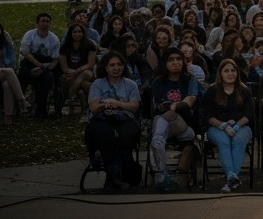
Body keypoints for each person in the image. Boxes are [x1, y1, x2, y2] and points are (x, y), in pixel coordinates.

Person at [85, 51, 141, 189]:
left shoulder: (131, 84)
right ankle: (114, 174)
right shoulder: (98, 84)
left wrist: (118, 104)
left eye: (119, 64)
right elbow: (93, 107)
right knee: (104, 134)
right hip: (102, 119)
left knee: (129, 132)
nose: (116, 68)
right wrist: (105, 105)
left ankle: (121, 171)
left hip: (124, 119)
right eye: (112, 65)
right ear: (105, 67)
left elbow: (134, 106)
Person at [148, 47, 200, 193]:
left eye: (178, 59)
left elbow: (188, 103)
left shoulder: (190, 80)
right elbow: (161, 105)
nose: (176, 62)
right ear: (165, 63)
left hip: (186, 129)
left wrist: (173, 107)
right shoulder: (159, 83)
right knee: (157, 140)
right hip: (165, 123)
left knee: (166, 121)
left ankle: (160, 178)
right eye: (171, 60)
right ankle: (162, 178)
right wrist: (175, 106)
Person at [202, 58, 255, 192]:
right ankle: (232, 177)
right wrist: (224, 126)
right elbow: (208, 116)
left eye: (233, 70)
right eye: (226, 71)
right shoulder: (211, 91)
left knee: (238, 141)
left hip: (242, 126)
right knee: (224, 141)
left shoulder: (245, 91)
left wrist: (236, 126)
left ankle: (230, 179)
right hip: (217, 126)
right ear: (220, 73)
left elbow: (249, 115)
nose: (230, 73)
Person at [19, 13, 62, 119]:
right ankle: (18, 106)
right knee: (21, 76)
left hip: (46, 67)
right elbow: (26, 53)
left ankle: (40, 109)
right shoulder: (29, 35)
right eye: (43, 21)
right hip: (29, 63)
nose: (45, 23)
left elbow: (55, 59)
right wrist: (38, 65)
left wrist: (43, 69)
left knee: (48, 78)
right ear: (37, 23)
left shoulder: (54, 39)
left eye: (47, 21)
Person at [57, 22, 97, 112]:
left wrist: (77, 71)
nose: (77, 34)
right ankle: (81, 96)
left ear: (83, 33)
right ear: (70, 34)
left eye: (79, 32)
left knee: (85, 73)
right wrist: (73, 72)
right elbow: (64, 68)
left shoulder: (90, 45)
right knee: (85, 84)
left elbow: (90, 64)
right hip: (70, 73)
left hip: (87, 72)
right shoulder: (64, 47)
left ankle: (70, 94)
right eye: (74, 32)